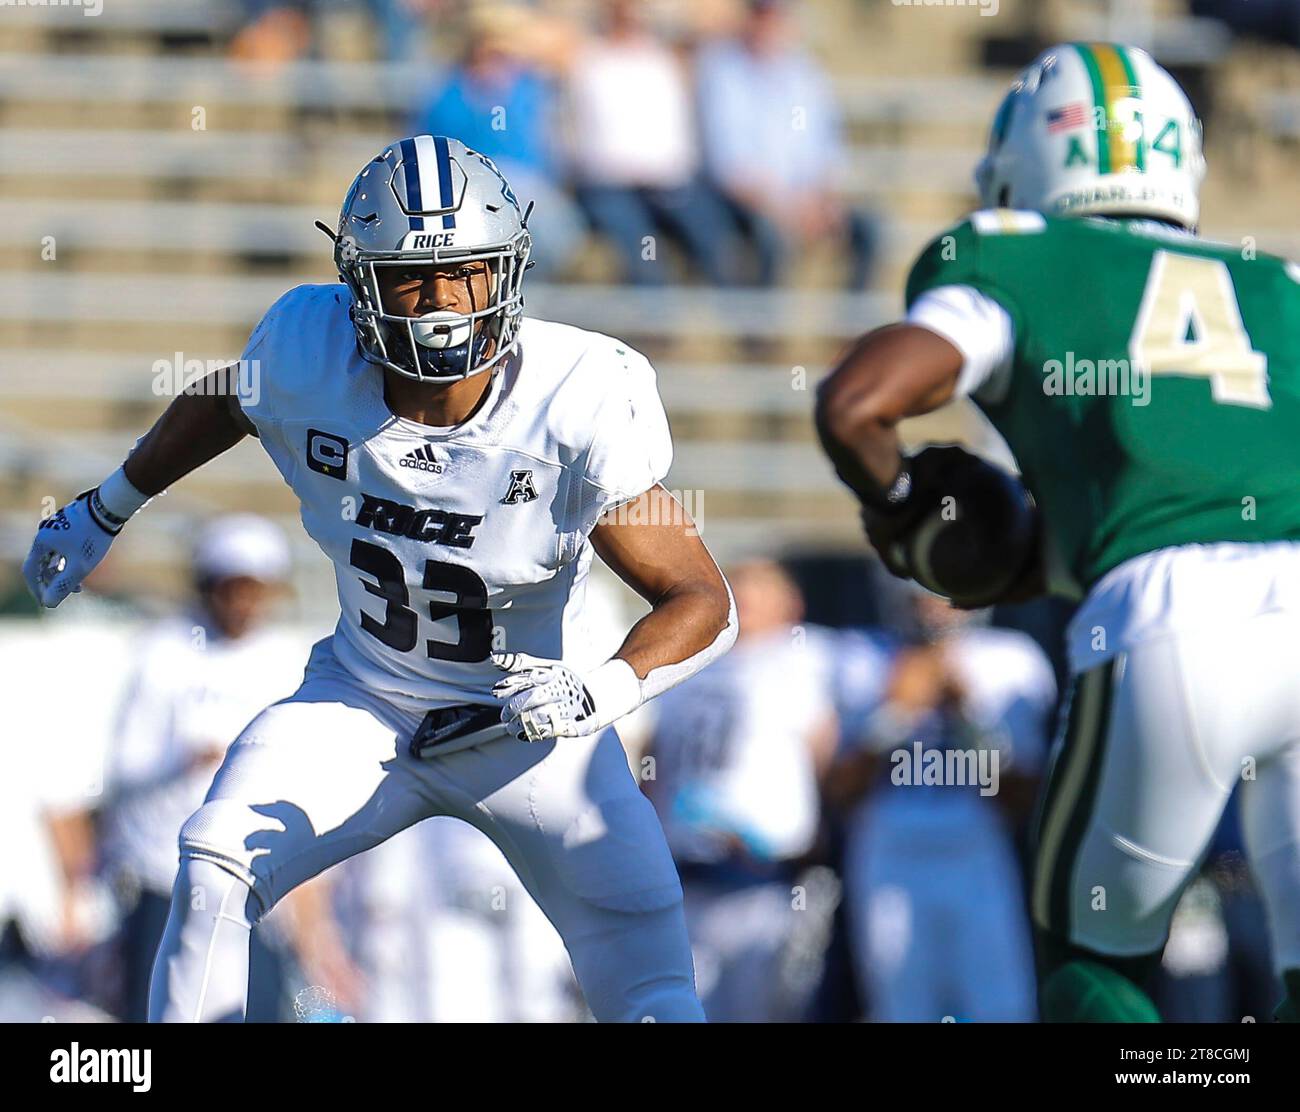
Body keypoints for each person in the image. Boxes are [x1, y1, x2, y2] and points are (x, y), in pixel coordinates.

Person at [23, 134, 736, 1024]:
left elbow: (706, 602)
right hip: (365, 699)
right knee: (214, 858)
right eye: (409, 276)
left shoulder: (576, 396)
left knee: (655, 989)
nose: (440, 302)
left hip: (529, 722)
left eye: (464, 272)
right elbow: (227, 399)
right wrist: (106, 507)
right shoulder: (306, 348)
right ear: (359, 285)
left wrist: (596, 695)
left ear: (505, 270)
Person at [816, 43, 1300, 1023]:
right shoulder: (1277, 282)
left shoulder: (1018, 254)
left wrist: (904, 505)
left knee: (1090, 956)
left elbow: (857, 402)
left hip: (1172, 617)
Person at [94, 516, 319, 1021]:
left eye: (254, 589)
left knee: (250, 1009)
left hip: (256, 878)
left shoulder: (284, 659)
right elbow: (124, 770)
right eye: (232, 588)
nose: (243, 603)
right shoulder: (163, 651)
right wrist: (182, 762)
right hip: (163, 874)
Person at [827, 590, 1054, 1022]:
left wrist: (969, 719)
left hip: (977, 857)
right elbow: (841, 791)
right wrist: (893, 715)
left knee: (1000, 1005)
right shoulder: (859, 657)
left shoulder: (1012, 658)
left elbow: (1020, 799)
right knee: (902, 1006)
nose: (932, 606)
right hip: (889, 858)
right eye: (918, 592)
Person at [644, 559, 837, 1021]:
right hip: (688, 879)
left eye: (757, 587)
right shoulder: (687, 666)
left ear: (791, 603)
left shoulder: (800, 657)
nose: (743, 594)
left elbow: (824, 755)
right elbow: (653, 766)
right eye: (737, 586)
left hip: (765, 879)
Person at [695, 0, 877, 289]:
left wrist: (822, 198)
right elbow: (729, 164)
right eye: (762, 15)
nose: (769, 24)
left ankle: (851, 331)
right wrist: (786, 206)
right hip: (745, 203)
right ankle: (760, 329)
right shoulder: (721, 70)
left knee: (870, 230)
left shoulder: (805, 72)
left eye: (775, 16)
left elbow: (827, 145)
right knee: (769, 237)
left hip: (802, 200)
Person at [566, 0, 739, 286]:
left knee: (720, 249)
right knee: (645, 260)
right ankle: (652, 328)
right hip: (610, 185)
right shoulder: (589, 61)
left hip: (670, 184)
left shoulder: (664, 62)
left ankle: (743, 325)